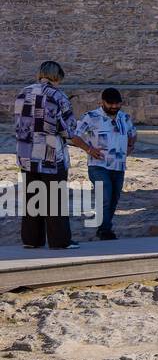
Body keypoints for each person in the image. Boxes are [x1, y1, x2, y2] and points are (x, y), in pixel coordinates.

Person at [13, 61, 104, 250]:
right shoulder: (58, 96)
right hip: (50, 155)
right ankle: (59, 241)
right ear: (58, 76)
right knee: (54, 199)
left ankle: (31, 240)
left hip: (26, 154)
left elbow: (18, 123)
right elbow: (69, 129)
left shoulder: (23, 92)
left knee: (32, 197)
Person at [75, 87, 137, 240]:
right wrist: (88, 149)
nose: (114, 107)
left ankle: (104, 227)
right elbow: (75, 136)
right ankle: (105, 230)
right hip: (98, 165)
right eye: (110, 104)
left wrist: (130, 145)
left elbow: (133, 134)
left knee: (114, 198)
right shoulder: (90, 117)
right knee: (105, 196)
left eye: (117, 104)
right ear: (102, 102)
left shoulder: (125, 117)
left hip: (119, 166)